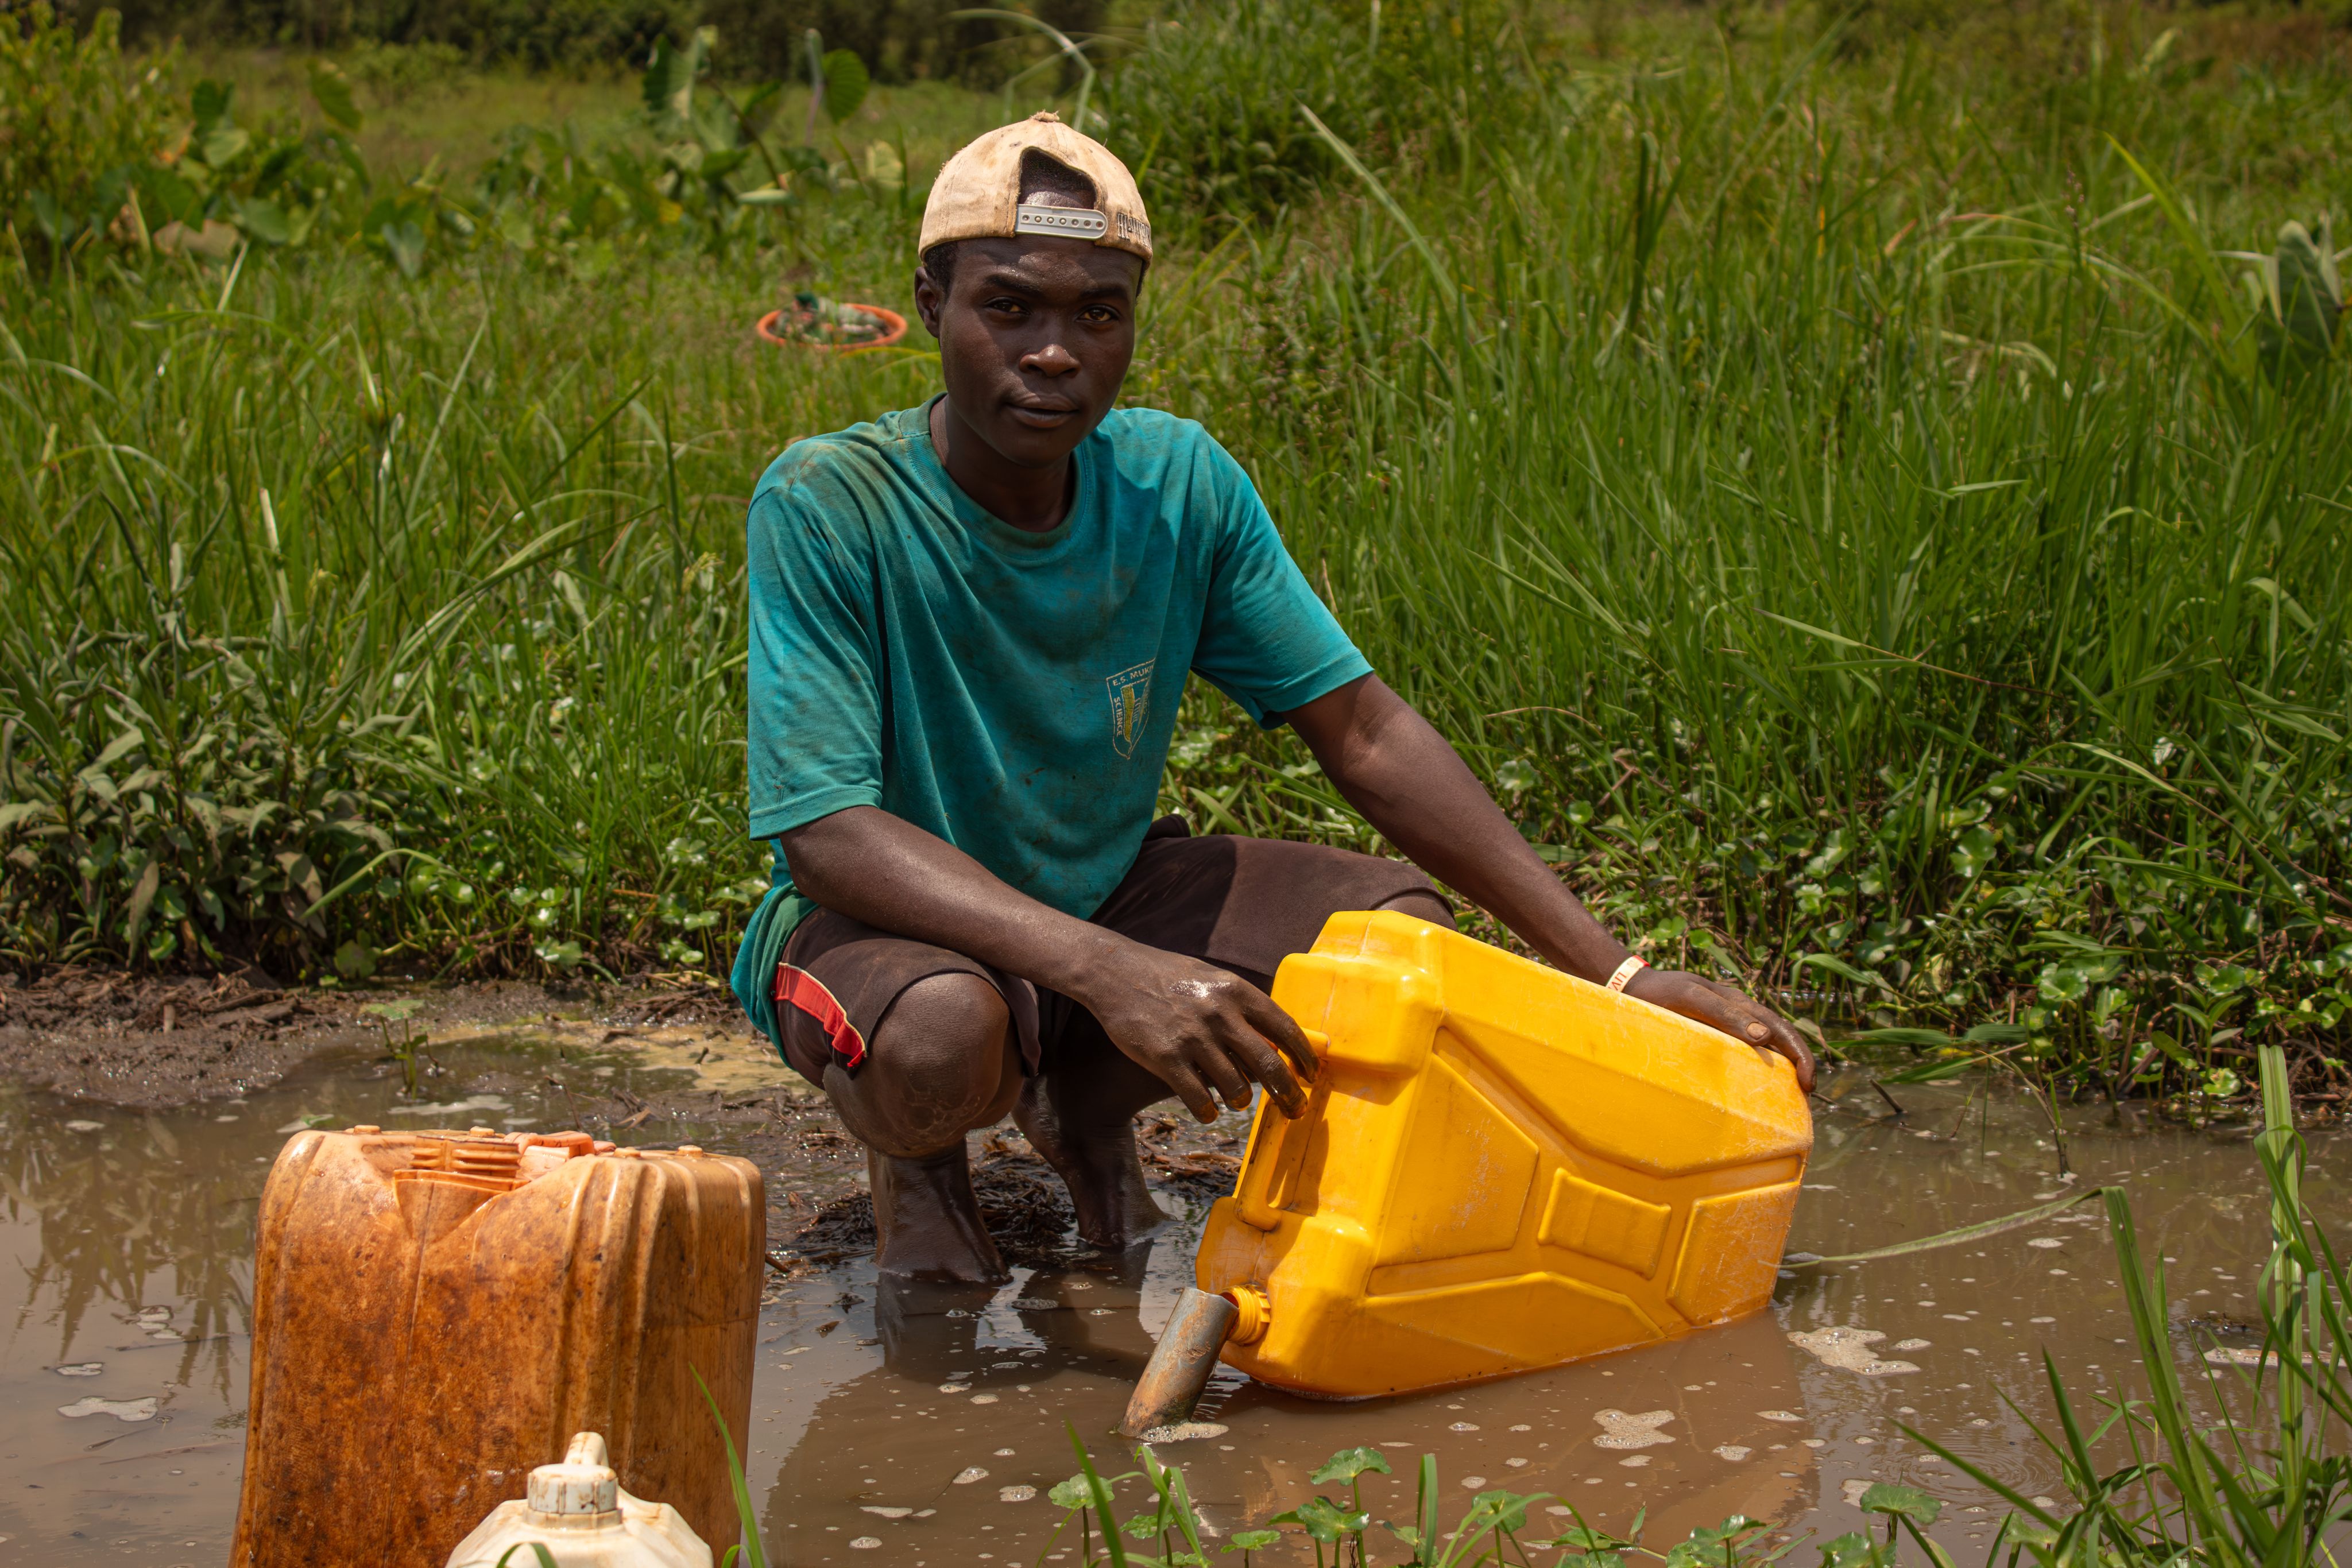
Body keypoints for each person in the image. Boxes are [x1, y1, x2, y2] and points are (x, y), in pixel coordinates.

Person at [732, 113, 1813, 1283]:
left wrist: (1617, 976)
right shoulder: (830, 501)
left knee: (1390, 940)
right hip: (894, 938)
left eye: (1098, 314)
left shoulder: (1175, 485)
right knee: (944, 1034)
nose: (1053, 353)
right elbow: (828, 830)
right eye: (1009, 307)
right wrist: (1108, 970)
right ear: (931, 301)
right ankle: (926, 1166)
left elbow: (1364, 729)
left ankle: (1083, 1115)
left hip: (1098, 893)